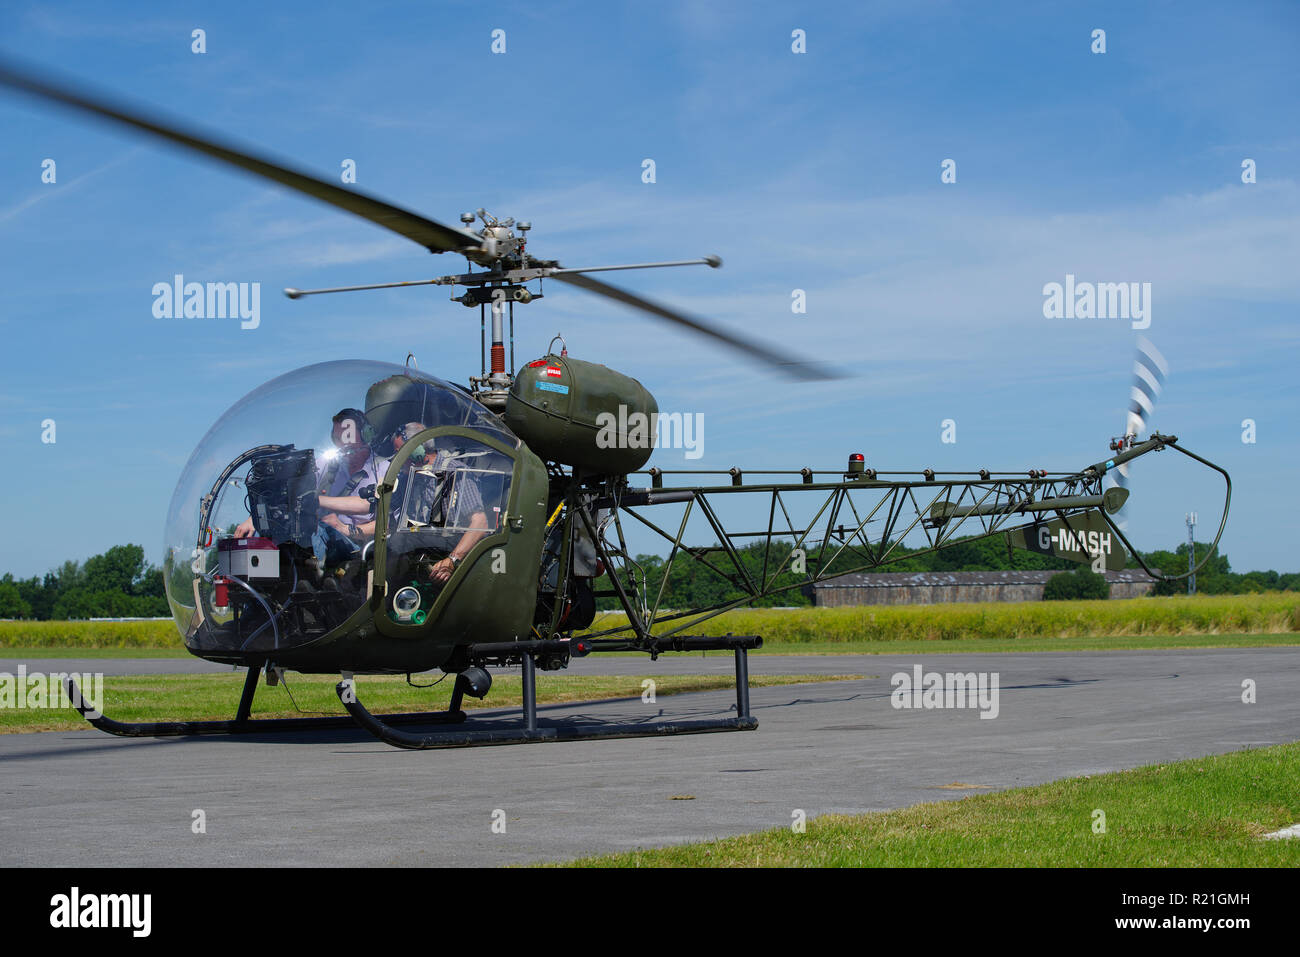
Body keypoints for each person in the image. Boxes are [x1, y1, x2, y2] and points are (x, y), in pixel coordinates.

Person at [235, 408, 387, 567]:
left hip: (360, 551)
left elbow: (388, 525)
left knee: (317, 528)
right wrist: (255, 519)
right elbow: (287, 489)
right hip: (322, 541)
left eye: (351, 443)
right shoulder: (326, 466)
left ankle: (313, 579)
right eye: (338, 439)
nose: (346, 449)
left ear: (366, 435)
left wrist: (346, 529)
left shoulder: (385, 470)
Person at [390, 422, 489, 584]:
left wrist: (452, 560)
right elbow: (381, 508)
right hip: (425, 545)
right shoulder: (411, 478)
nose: (397, 459)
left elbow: (480, 523)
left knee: (401, 541)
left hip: (451, 547)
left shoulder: (455, 472)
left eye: (398, 452)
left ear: (417, 451)